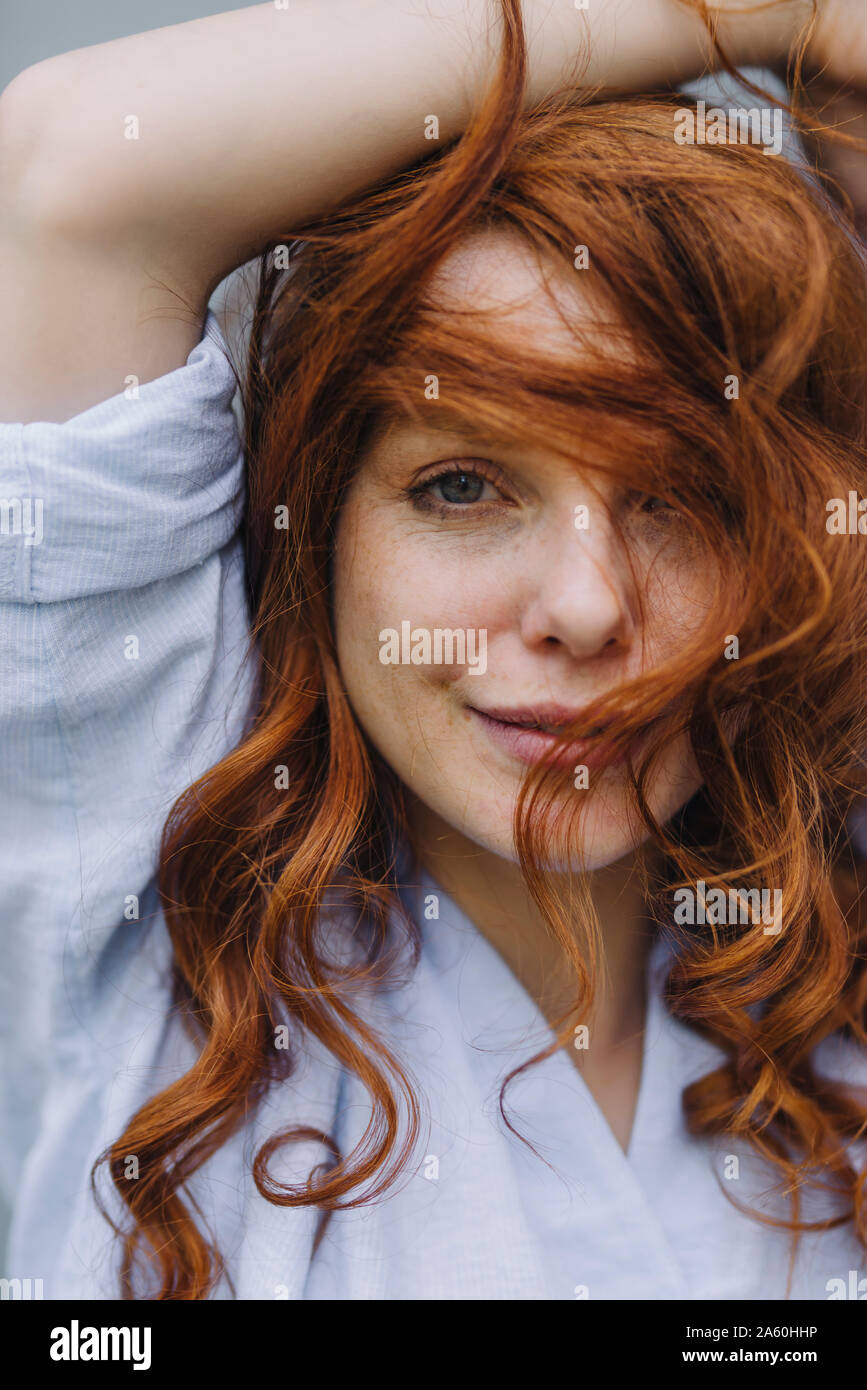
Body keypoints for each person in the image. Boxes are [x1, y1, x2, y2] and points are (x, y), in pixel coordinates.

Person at [1, 0, 866, 1301]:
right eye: (462, 486)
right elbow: (75, 173)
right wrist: (771, 14)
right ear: (319, 521)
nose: (586, 606)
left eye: (681, 497)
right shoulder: (143, 894)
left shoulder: (831, 923)